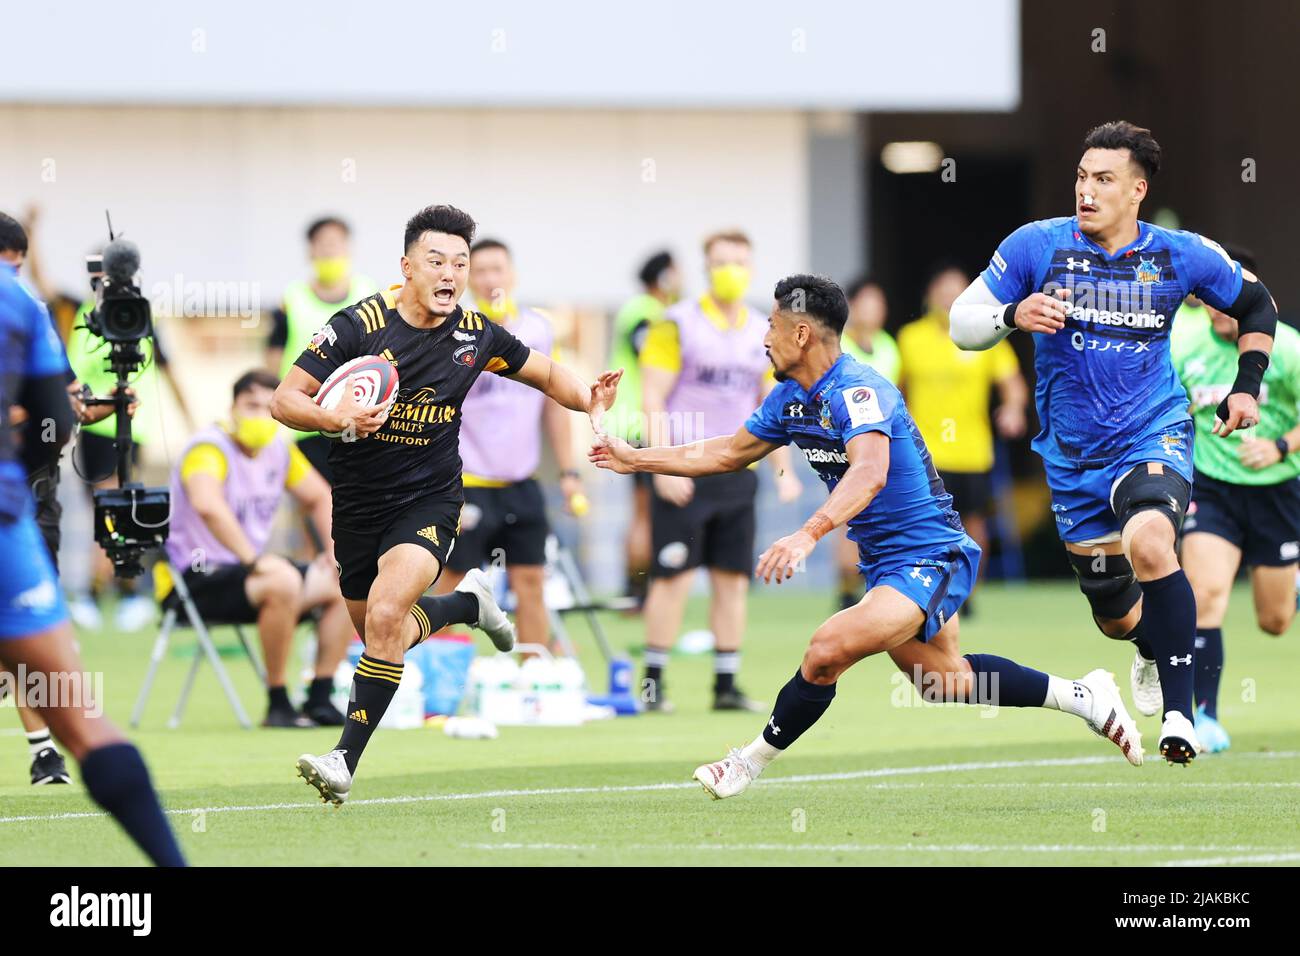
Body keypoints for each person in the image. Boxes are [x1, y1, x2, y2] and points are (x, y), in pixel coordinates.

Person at [591, 275, 1142, 798]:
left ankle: (746, 762)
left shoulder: (858, 391)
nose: (764, 340)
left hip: (931, 552)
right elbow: (728, 452)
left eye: (772, 327)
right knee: (941, 681)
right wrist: (636, 457)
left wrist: (808, 534)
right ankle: (1086, 696)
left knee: (827, 649)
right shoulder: (789, 400)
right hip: (887, 561)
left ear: (801, 333)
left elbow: (869, 470)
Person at [949, 120, 1279, 764]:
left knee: (1152, 540)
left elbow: (1257, 305)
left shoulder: (1180, 254)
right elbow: (964, 322)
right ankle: (1150, 651)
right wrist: (1011, 315)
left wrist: (1247, 385)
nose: (1086, 190)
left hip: (1152, 431)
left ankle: (1182, 717)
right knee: (1114, 614)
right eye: (1081, 176)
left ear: (1136, 190)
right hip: (1072, 458)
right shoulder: (1036, 247)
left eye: (1103, 179)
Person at [271, 204, 621, 805]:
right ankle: (466, 603)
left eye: (460, 263)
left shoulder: (475, 333)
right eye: (437, 260)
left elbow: (544, 374)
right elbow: (284, 400)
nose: (450, 273)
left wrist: (585, 397)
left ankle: (342, 759)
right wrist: (335, 418)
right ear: (407, 266)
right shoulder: (357, 325)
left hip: (430, 500)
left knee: (384, 617)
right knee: (381, 632)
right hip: (357, 505)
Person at [0, 210, 184, 864]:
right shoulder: (22, 306)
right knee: (79, 709)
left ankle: (37, 744)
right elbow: (56, 411)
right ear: (14, 256)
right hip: (9, 513)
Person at [638, 230, 802, 712]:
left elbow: (768, 403)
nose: (730, 269)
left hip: (737, 470)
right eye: (721, 261)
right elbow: (653, 397)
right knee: (673, 578)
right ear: (706, 268)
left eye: (739, 261)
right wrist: (662, 465)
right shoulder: (676, 323)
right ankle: (653, 686)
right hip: (686, 468)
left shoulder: (762, 328)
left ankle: (726, 686)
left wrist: (782, 469)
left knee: (731, 580)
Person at [163, 369, 353, 727]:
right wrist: (253, 560)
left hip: (252, 576)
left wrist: (333, 553)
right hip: (198, 576)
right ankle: (278, 703)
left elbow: (320, 497)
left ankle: (319, 697)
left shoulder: (278, 451)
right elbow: (208, 505)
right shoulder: (208, 448)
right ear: (232, 407)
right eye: (250, 405)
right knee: (281, 579)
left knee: (346, 582)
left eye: (269, 406)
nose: (259, 415)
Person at [1170, 249, 1298, 752]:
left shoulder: (1286, 348)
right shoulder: (1184, 344)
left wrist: (1280, 445)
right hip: (1212, 489)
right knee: (1205, 595)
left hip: (1278, 493)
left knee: (1274, 621)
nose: (1222, 310)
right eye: (1212, 300)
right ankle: (1205, 717)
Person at [433, 238, 584, 652]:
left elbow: (554, 405)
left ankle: (531, 675)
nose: (488, 278)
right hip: (468, 483)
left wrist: (569, 473)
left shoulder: (538, 330)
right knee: (451, 581)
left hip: (522, 481)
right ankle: (433, 675)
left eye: (496, 269)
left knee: (531, 580)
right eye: (478, 270)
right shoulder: (453, 330)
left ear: (512, 275)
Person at [898, 263, 1028, 603]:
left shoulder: (983, 335)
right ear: (929, 296)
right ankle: (925, 589)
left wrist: (1012, 408)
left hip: (972, 450)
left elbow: (1013, 385)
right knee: (925, 524)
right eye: (942, 291)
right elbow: (898, 389)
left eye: (956, 291)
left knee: (972, 523)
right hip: (925, 454)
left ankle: (966, 593)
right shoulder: (911, 338)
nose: (948, 298)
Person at [265, 217, 377, 485]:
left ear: (349, 250)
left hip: (358, 417)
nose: (330, 252)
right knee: (316, 502)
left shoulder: (368, 293)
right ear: (310, 251)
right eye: (323, 245)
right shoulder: (292, 299)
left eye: (336, 245)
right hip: (309, 421)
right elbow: (273, 358)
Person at [608, 251, 681, 607]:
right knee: (646, 509)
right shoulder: (644, 311)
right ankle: (638, 591)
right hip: (639, 421)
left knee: (643, 509)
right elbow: (649, 359)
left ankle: (637, 588)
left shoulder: (644, 309)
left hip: (634, 421)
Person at [834, 276, 900, 609]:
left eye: (879, 304)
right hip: (847, 442)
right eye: (867, 303)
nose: (874, 311)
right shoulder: (839, 344)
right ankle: (846, 589)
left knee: (880, 515)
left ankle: (879, 586)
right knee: (849, 513)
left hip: (883, 445)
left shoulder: (889, 346)